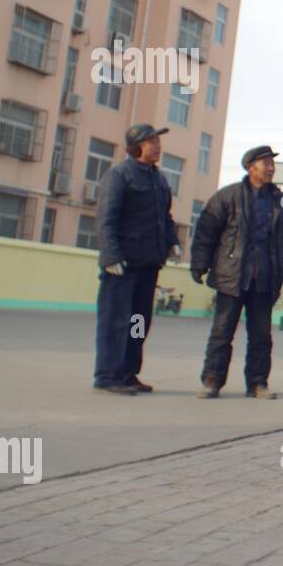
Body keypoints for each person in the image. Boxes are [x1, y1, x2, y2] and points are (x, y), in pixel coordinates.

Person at [190, 145, 283, 399]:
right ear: (251, 167)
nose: (271, 168)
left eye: (273, 163)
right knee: (221, 332)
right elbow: (206, 233)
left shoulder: (282, 200)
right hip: (231, 277)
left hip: (265, 278)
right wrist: (199, 264)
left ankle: (258, 383)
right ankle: (212, 380)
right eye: (266, 163)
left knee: (261, 336)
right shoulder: (227, 196)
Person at [93, 124, 180, 395]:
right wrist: (111, 256)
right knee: (116, 320)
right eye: (151, 141)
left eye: (157, 141)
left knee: (139, 321)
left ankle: (129, 372)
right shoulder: (120, 175)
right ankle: (108, 375)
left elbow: (164, 217)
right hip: (123, 264)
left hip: (149, 263)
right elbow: (106, 218)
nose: (157, 146)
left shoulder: (159, 179)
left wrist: (172, 241)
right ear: (135, 146)